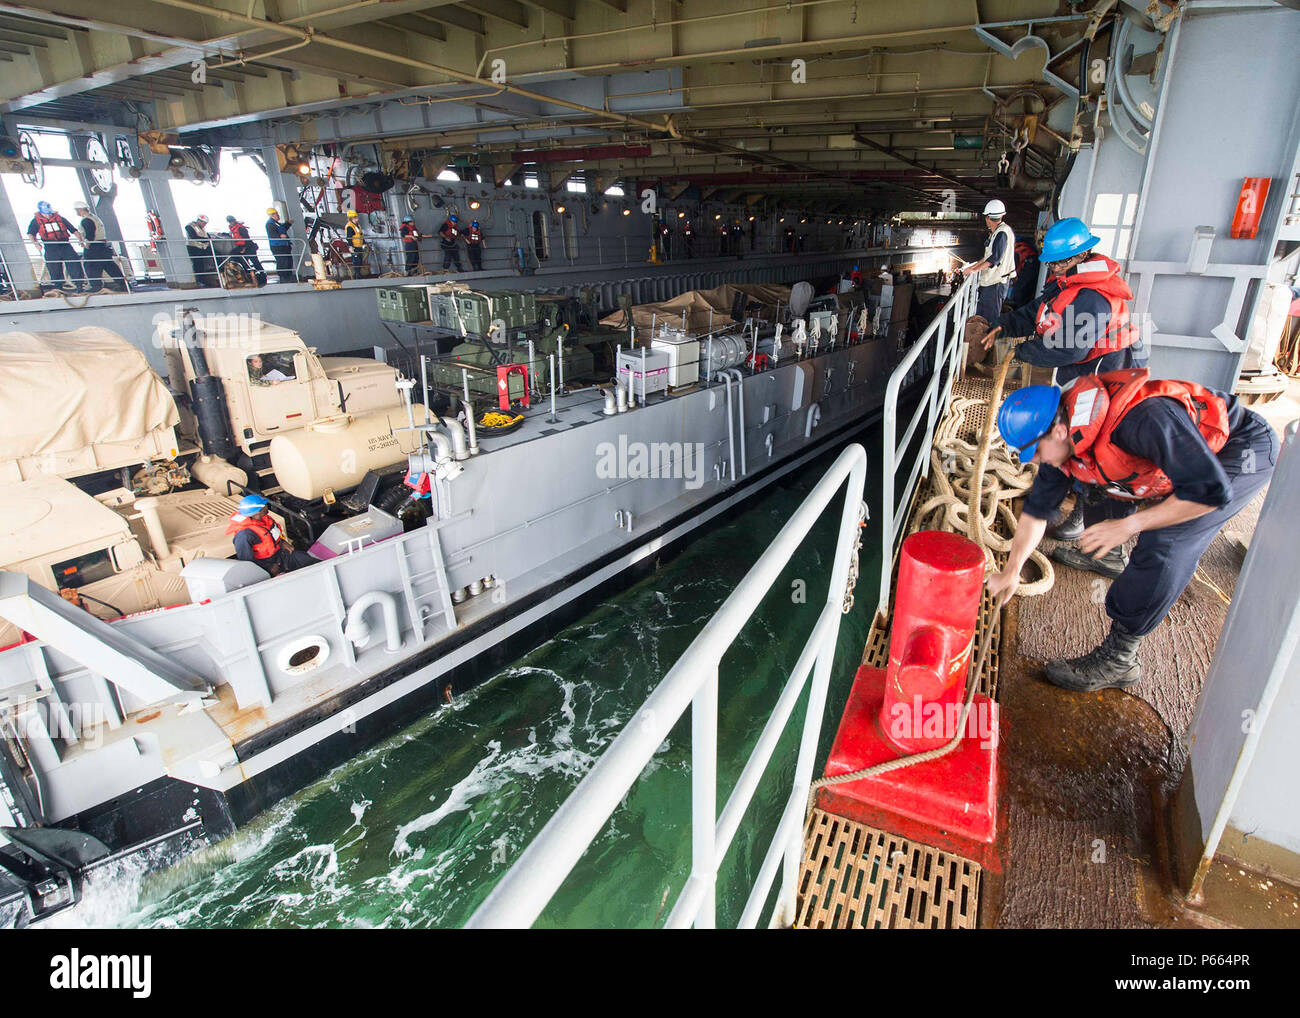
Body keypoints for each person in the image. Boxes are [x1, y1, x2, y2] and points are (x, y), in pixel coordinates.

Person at [987, 369, 1277, 691]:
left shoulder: (1142, 421)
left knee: (1167, 540)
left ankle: (1120, 658)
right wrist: (1012, 570)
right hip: (1183, 461)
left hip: (1240, 449)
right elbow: (1037, 511)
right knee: (1097, 485)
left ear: (1056, 431)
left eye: (1036, 453)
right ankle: (1109, 558)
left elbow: (1208, 492)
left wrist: (1129, 525)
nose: (1038, 462)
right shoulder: (1064, 441)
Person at [226, 494, 315, 577]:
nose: (267, 506)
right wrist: (268, 567)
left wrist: (282, 542)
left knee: (310, 562)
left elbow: (272, 535)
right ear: (258, 511)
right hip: (265, 565)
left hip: (281, 555)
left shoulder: (265, 519)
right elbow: (247, 562)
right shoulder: (244, 535)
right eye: (265, 505)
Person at [962, 198, 1016, 320]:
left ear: (987, 218)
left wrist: (974, 271)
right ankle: (980, 337)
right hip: (991, 282)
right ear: (1001, 215)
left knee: (990, 317)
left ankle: (987, 337)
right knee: (982, 314)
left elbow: (994, 259)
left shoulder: (1002, 233)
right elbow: (988, 257)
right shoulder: (997, 232)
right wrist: (972, 267)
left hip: (996, 283)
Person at [26, 201, 85, 292]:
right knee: (54, 267)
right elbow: (30, 234)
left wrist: (80, 240)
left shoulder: (60, 218)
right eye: (46, 214)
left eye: (49, 213)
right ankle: (59, 287)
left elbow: (73, 230)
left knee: (74, 263)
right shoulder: (36, 221)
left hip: (65, 245)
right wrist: (36, 244)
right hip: (50, 247)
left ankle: (79, 285)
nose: (48, 216)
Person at [73, 200, 126, 293]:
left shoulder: (86, 220)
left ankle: (95, 286)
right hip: (102, 246)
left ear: (80, 210)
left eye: (76, 210)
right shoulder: (94, 217)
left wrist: (86, 245)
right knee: (109, 266)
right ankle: (123, 284)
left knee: (91, 265)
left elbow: (90, 235)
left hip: (94, 247)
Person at [226, 215, 266, 286]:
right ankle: (246, 274)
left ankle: (263, 276)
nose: (231, 223)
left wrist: (244, 248)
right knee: (237, 258)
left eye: (231, 221)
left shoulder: (241, 228)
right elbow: (232, 235)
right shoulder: (233, 228)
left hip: (249, 246)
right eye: (229, 222)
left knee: (255, 261)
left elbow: (247, 238)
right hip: (241, 246)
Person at [185, 214, 219, 287]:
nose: (204, 225)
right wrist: (207, 240)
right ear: (199, 221)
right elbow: (194, 237)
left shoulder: (202, 228)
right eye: (203, 223)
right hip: (194, 248)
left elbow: (207, 236)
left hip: (203, 247)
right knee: (198, 264)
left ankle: (219, 271)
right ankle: (200, 280)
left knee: (217, 254)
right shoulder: (189, 226)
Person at [265, 207, 295, 282]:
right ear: (272, 215)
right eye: (276, 214)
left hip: (284, 245)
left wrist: (288, 223)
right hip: (278, 247)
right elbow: (272, 235)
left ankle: (288, 277)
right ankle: (283, 278)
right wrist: (280, 236)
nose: (278, 215)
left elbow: (282, 229)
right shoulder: (269, 224)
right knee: (282, 262)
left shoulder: (276, 223)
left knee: (288, 261)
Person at [345, 210, 365, 276]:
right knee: (357, 261)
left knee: (360, 261)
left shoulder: (357, 225)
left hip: (359, 246)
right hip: (354, 247)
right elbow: (349, 238)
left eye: (357, 217)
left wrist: (364, 242)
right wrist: (351, 247)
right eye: (355, 217)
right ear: (351, 218)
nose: (357, 218)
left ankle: (358, 274)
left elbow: (360, 234)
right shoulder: (350, 227)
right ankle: (357, 276)